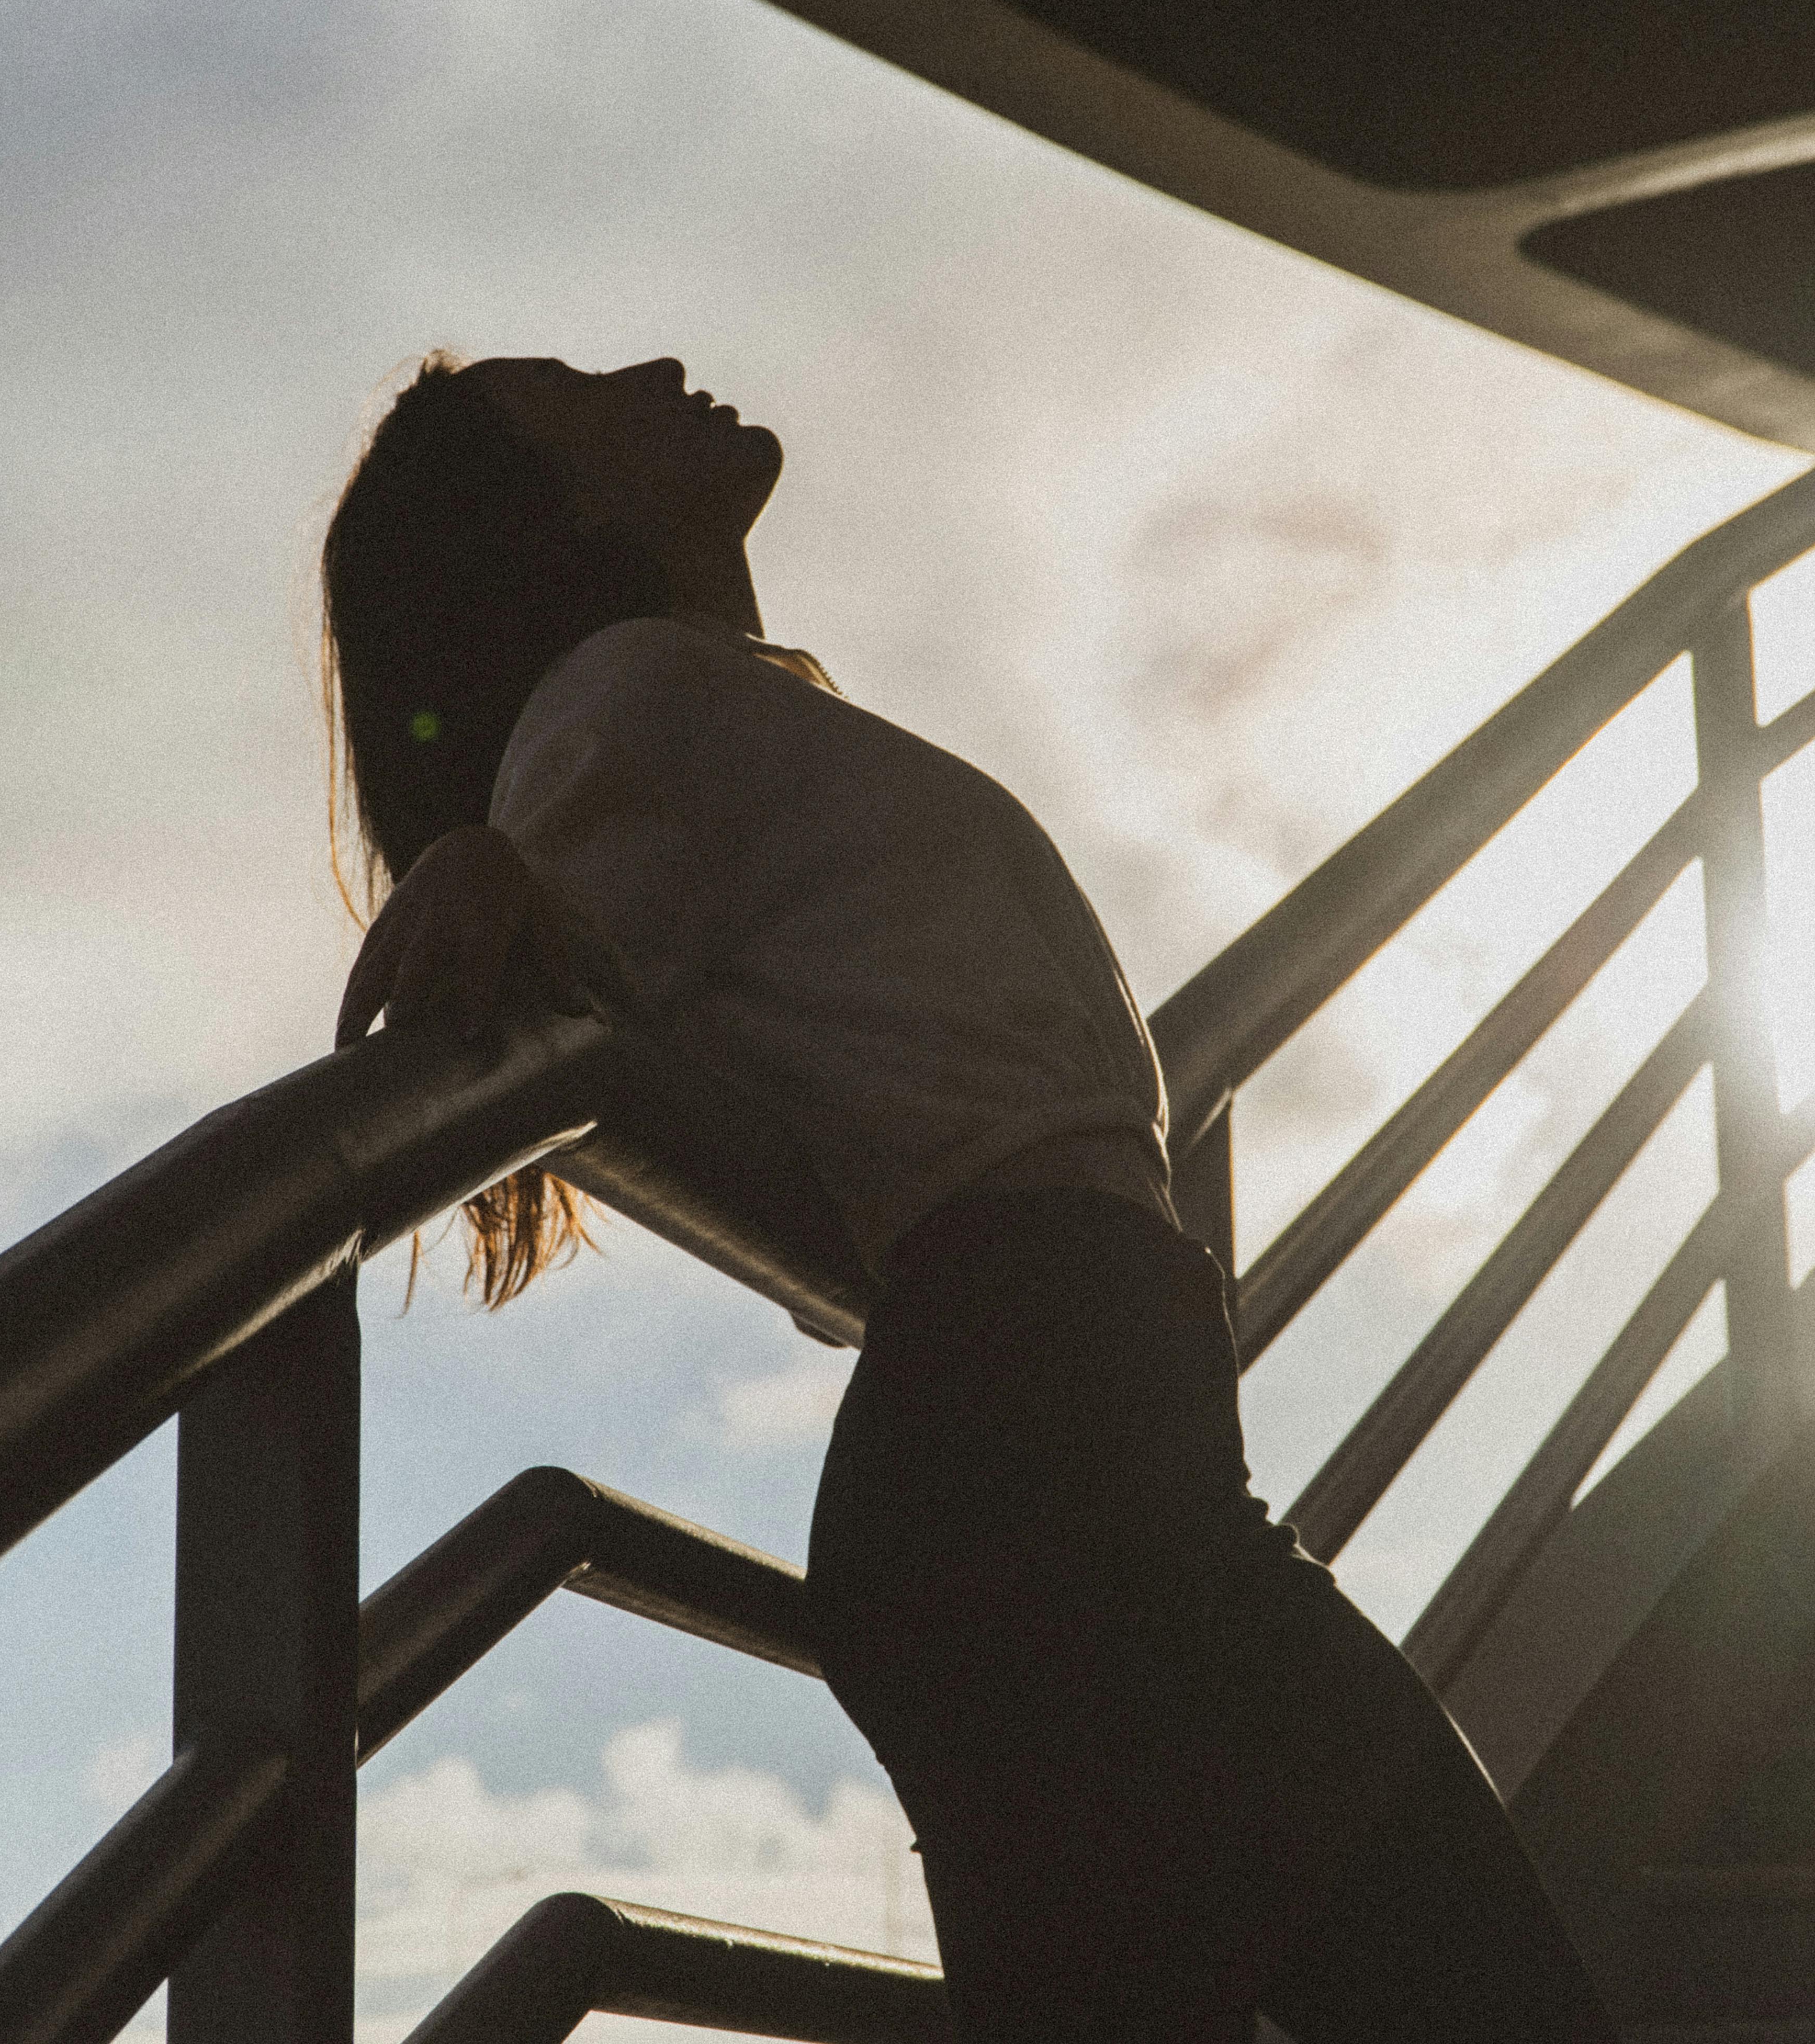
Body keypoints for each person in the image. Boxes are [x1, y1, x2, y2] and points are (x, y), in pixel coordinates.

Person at [324, 350, 1617, 2043]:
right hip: (1043, 1467)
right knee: (1475, 1980)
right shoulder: (629, 694)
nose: (658, 368)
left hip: (1072, 1462)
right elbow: (534, 957)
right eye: (587, 394)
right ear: (555, 516)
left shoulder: (724, 707)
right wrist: (493, 859)